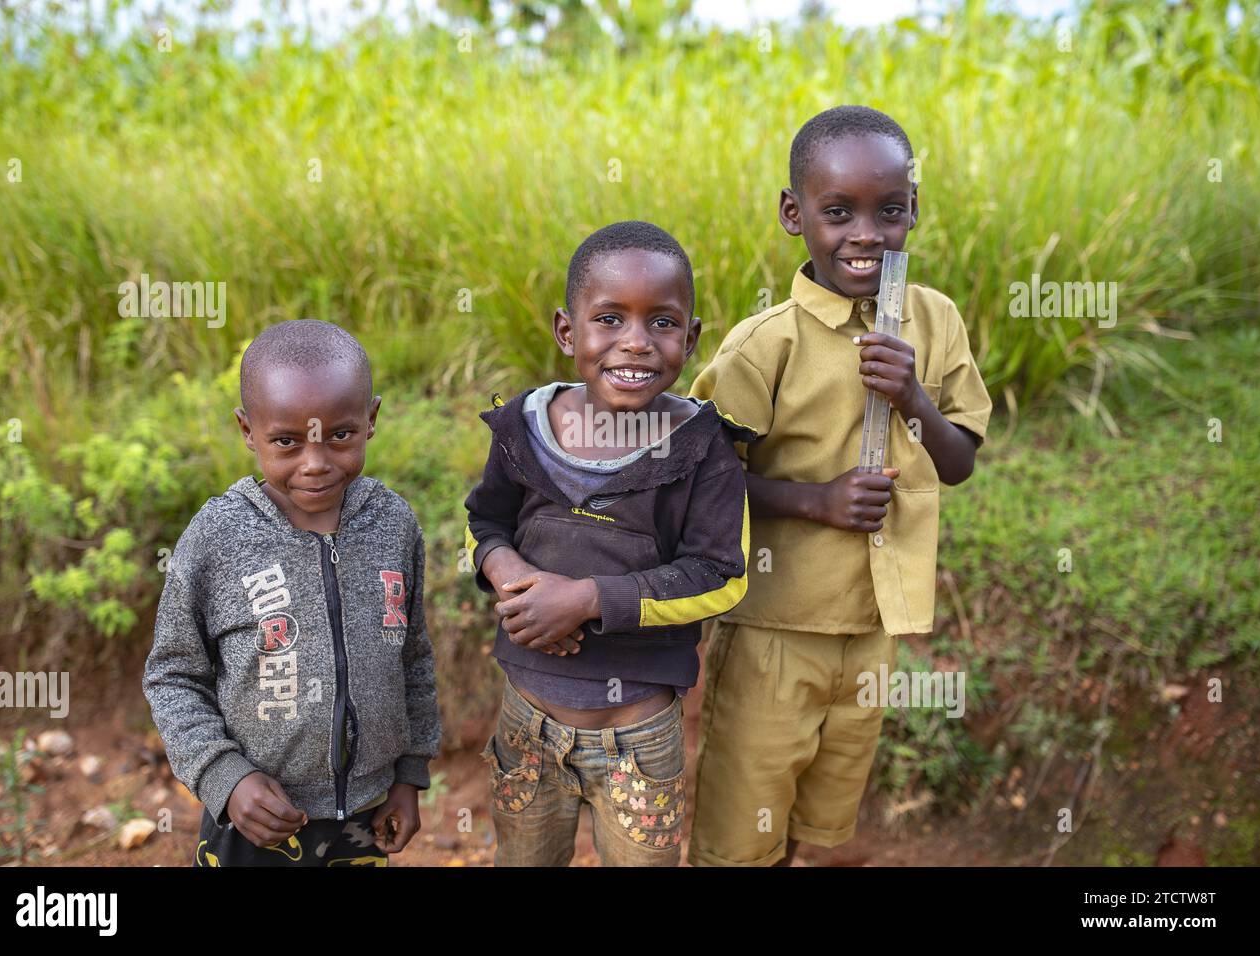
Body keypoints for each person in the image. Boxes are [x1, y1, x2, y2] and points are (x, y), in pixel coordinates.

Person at [687, 106, 993, 867]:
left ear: (914, 211)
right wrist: (817, 500)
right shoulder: (766, 344)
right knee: (741, 831)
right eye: (837, 212)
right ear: (795, 216)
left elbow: (959, 460)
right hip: (775, 630)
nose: (867, 234)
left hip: (872, 628)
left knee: (814, 824)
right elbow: (701, 482)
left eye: (890, 211)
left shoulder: (936, 320)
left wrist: (914, 399)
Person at [463, 220, 754, 866]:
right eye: (610, 319)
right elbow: (484, 523)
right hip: (527, 727)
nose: (636, 343)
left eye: (663, 323)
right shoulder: (524, 427)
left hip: (638, 742)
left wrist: (587, 600)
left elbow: (720, 575)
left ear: (692, 336)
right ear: (569, 332)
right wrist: (512, 576)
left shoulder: (703, 451)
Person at [143, 319, 441, 866]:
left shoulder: (393, 524)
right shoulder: (219, 538)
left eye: (340, 435)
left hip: (364, 814)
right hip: (256, 817)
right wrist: (226, 778)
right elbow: (173, 676)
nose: (315, 462)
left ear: (370, 419)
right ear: (247, 430)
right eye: (286, 441)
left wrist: (408, 775)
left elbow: (413, 659)